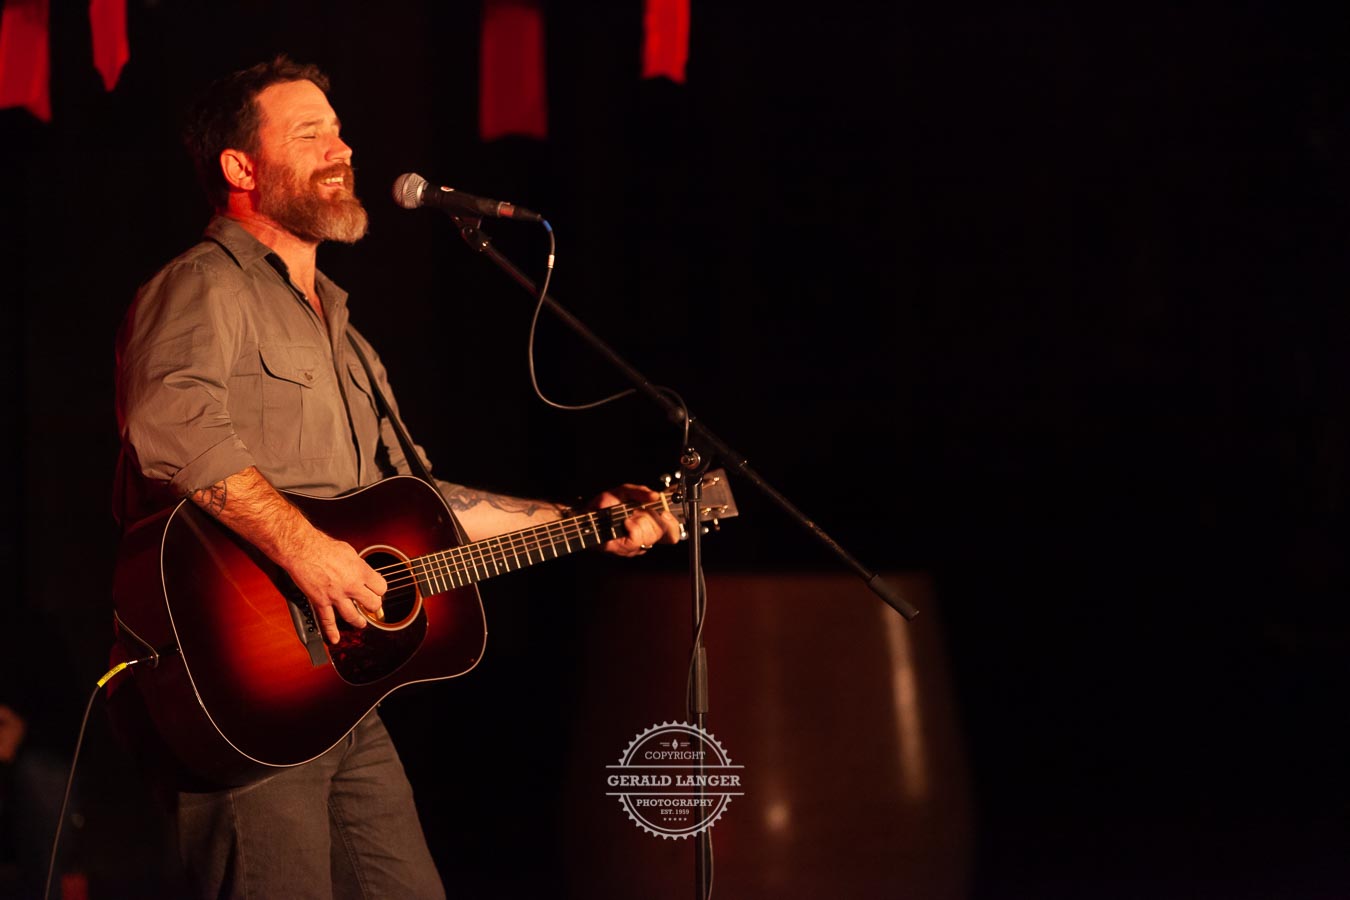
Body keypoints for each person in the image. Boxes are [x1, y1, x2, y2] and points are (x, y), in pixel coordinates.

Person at [112, 55, 679, 900]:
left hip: (343, 697)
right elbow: (170, 425)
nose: (341, 148)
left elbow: (423, 506)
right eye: (308, 133)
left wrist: (582, 518)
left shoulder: (345, 329)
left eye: (339, 131)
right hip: (245, 694)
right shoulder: (200, 287)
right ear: (240, 167)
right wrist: (307, 552)